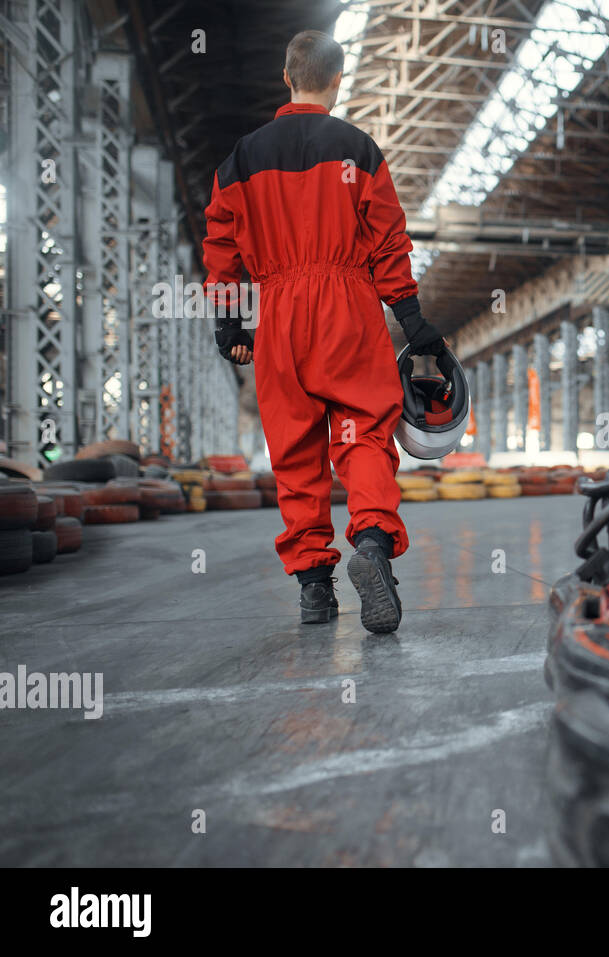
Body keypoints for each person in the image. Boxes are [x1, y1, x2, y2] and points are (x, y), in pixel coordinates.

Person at [202, 29, 449, 633]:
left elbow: (221, 246)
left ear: (287, 78)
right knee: (362, 434)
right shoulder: (357, 148)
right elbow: (390, 240)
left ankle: (315, 590)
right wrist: (413, 322)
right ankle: (371, 547)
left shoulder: (241, 157)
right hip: (346, 307)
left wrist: (231, 319)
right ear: (338, 80)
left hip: (279, 315)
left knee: (294, 449)